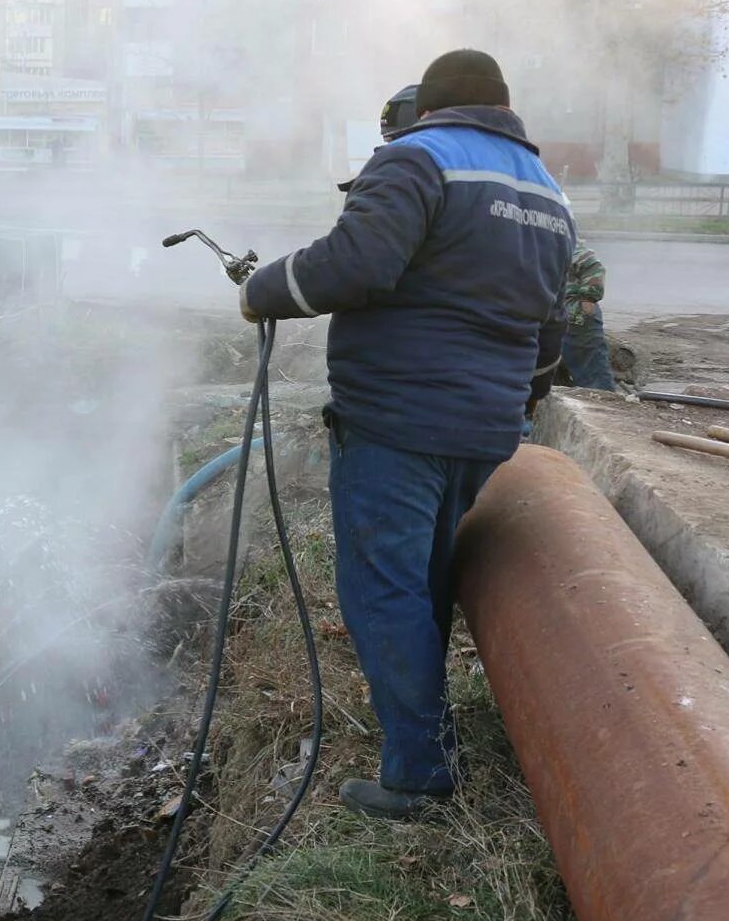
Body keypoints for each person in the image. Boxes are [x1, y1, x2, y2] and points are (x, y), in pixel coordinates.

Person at [238, 49, 572, 821]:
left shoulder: (418, 158)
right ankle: (429, 739)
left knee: (383, 589)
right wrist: (508, 403)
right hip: (485, 428)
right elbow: (550, 334)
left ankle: (420, 773)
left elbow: (355, 264)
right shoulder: (547, 192)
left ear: (432, 107)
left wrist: (262, 291)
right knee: (422, 583)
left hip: (398, 420)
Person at [558, 243, 614, 391]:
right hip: (557, 314)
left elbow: (591, 265)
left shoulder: (561, 241)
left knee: (591, 366)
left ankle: (600, 402)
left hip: (575, 313)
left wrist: (588, 298)